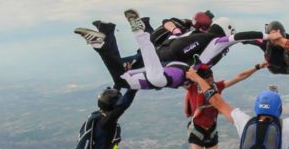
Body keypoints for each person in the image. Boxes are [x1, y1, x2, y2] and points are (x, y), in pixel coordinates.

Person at [76, 10, 264, 90]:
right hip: (170, 64)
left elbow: (241, 39)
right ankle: (121, 35)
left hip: (161, 58)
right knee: (148, 78)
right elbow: (240, 38)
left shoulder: (194, 33)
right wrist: (268, 37)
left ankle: (103, 41)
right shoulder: (210, 38)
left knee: (121, 79)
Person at [185, 61, 266, 149]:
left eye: (211, 76)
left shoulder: (217, 87)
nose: (211, 79)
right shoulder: (192, 88)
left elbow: (239, 77)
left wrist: (257, 67)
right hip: (197, 129)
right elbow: (173, 80)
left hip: (211, 129)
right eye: (207, 78)